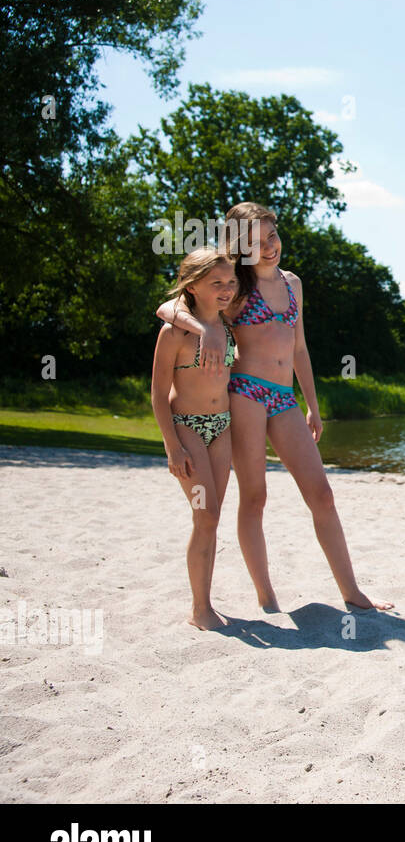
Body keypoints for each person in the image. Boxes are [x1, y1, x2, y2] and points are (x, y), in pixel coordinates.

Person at [156, 202, 391, 613]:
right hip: (244, 394)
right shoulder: (234, 286)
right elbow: (171, 308)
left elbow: (299, 347)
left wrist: (313, 405)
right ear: (239, 247)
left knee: (322, 493)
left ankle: (352, 592)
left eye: (272, 237)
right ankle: (267, 597)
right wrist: (201, 330)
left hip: (284, 399)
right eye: (256, 242)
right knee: (255, 497)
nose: (268, 247)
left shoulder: (293, 283)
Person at [150, 246, 239, 630]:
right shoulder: (174, 332)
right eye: (216, 282)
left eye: (231, 281)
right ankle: (199, 610)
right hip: (187, 427)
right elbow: (157, 392)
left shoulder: (229, 322)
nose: (226, 288)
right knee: (204, 516)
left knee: (212, 517)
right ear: (193, 286)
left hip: (222, 427)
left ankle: (206, 602)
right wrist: (172, 445)